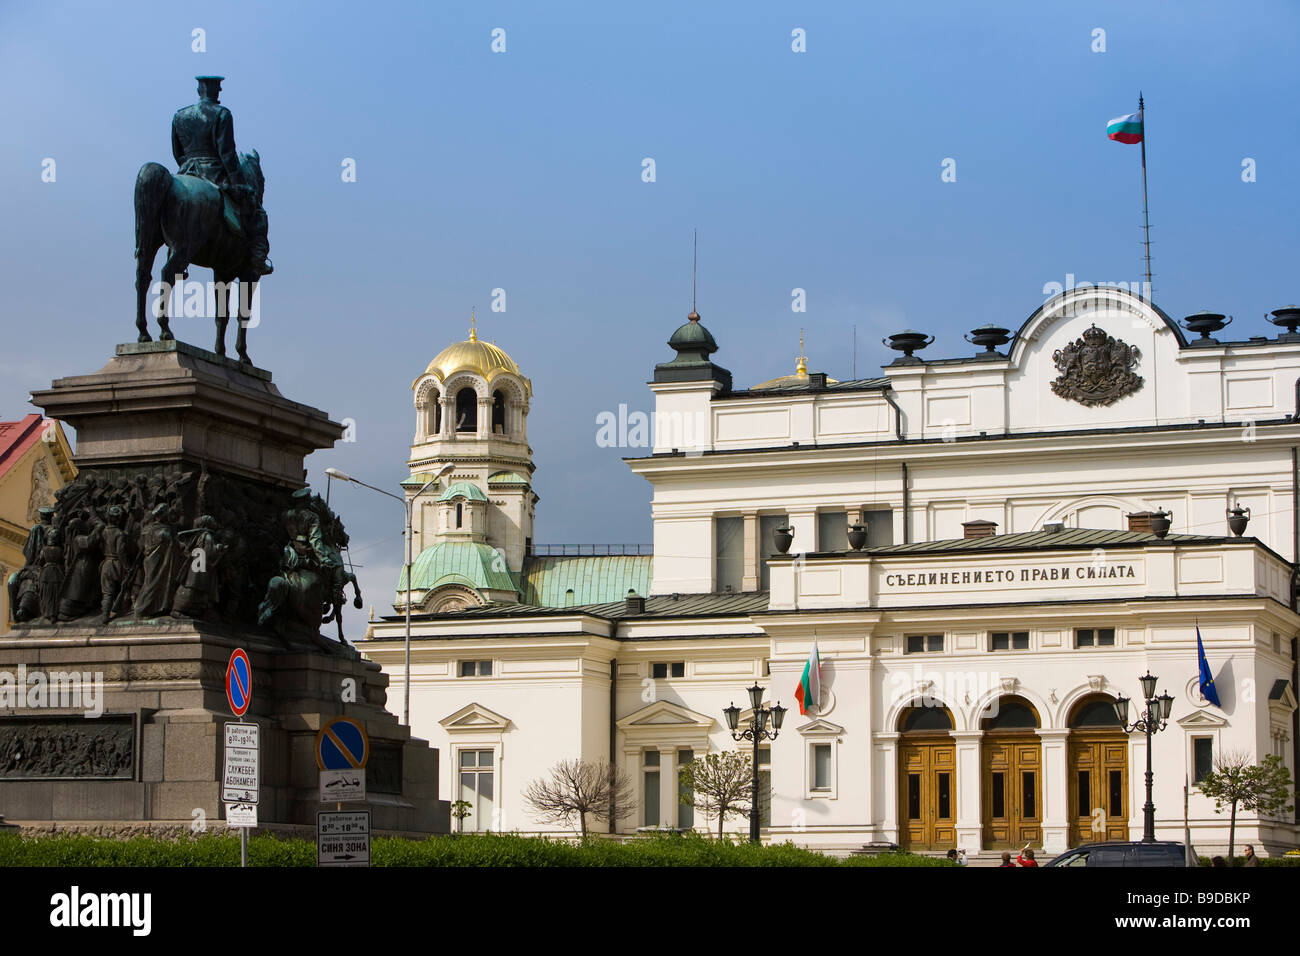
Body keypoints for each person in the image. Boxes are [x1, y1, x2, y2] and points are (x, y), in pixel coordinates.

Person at [171, 76, 272, 276]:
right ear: (215, 91)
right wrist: (240, 184)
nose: (219, 92)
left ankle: (174, 258)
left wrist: (187, 169)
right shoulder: (222, 114)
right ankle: (258, 259)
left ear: (199, 90)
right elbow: (227, 154)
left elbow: (177, 153)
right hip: (214, 174)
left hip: (186, 172)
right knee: (258, 214)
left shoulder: (180, 115)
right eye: (218, 89)